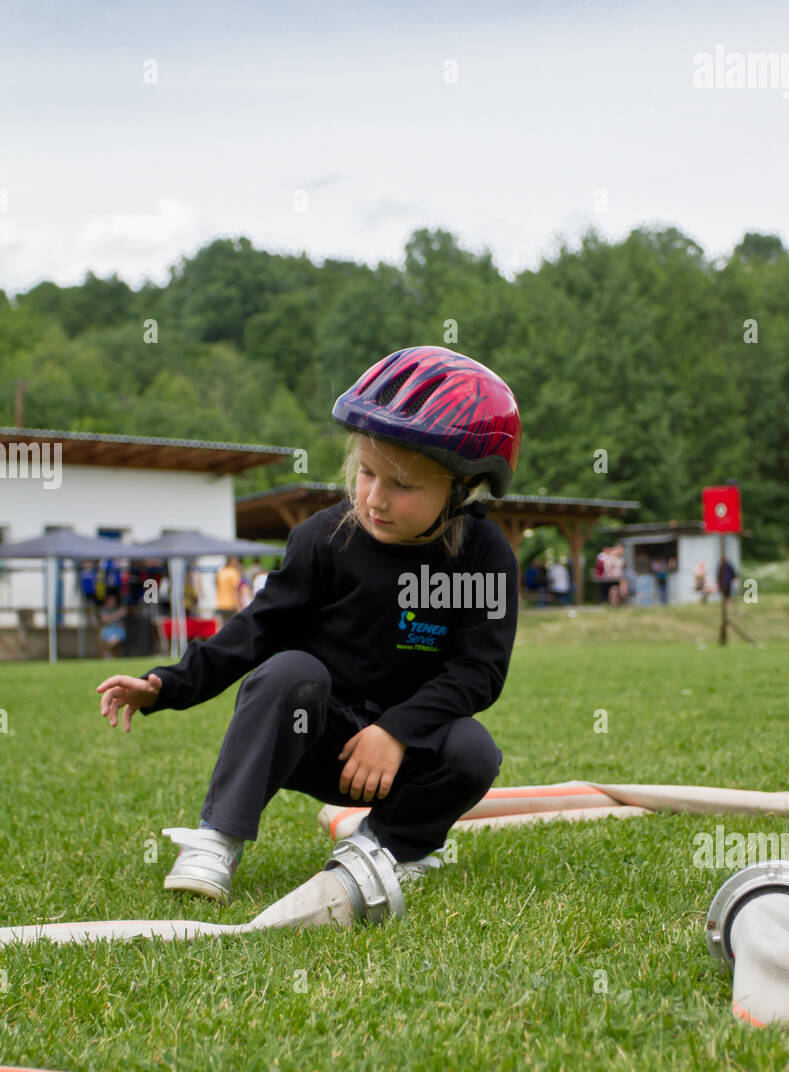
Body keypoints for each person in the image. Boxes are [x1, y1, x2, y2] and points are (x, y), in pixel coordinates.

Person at [96, 346, 521, 905]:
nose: (374, 497)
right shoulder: (324, 539)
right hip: (319, 735)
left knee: (473, 751)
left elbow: (479, 670)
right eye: (367, 473)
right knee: (290, 671)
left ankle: (391, 846)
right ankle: (218, 837)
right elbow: (255, 631)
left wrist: (397, 731)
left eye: (403, 485)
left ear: (462, 487)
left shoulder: (483, 554)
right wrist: (165, 686)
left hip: (406, 751)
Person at [98, 589, 128, 660]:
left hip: (118, 629)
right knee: (111, 638)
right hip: (108, 629)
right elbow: (105, 619)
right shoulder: (104, 609)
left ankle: (108, 653)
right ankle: (108, 653)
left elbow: (122, 623)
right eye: (111, 600)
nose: (112, 601)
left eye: (114, 600)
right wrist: (118, 614)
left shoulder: (118, 608)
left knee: (117, 636)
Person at [215, 555, 242, 629]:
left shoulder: (220, 572)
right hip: (231, 604)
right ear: (232, 560)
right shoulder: (234, 572)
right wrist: (239, 605)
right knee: (233, 627)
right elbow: (236, 590)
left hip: (220, 603)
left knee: (222, 627)